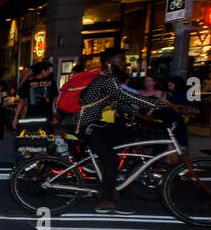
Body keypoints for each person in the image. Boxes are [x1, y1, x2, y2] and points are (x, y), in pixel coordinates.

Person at [59, 47, 162, 214]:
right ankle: (106, 201)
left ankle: (108, 177)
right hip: (87, 126)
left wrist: (141, 115)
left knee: (129, 132)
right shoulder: (103, 80)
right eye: (121, 59)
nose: (125, 62)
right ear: (109, 62)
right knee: (111, 160)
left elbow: (118, 103)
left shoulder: (106, 79)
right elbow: (126, 97)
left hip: (95, 124)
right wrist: (162, 104)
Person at [13, 61, 57, 129]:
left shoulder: (28, 83)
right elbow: (56, 99)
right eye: (48, 70)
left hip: (32, 116)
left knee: (32, 137)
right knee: (46, 137)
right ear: (43, 71)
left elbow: (21, 101)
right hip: (47, 116)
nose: (49, 72)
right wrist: (55, 114)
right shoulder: (51, 82)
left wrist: (15, 118)